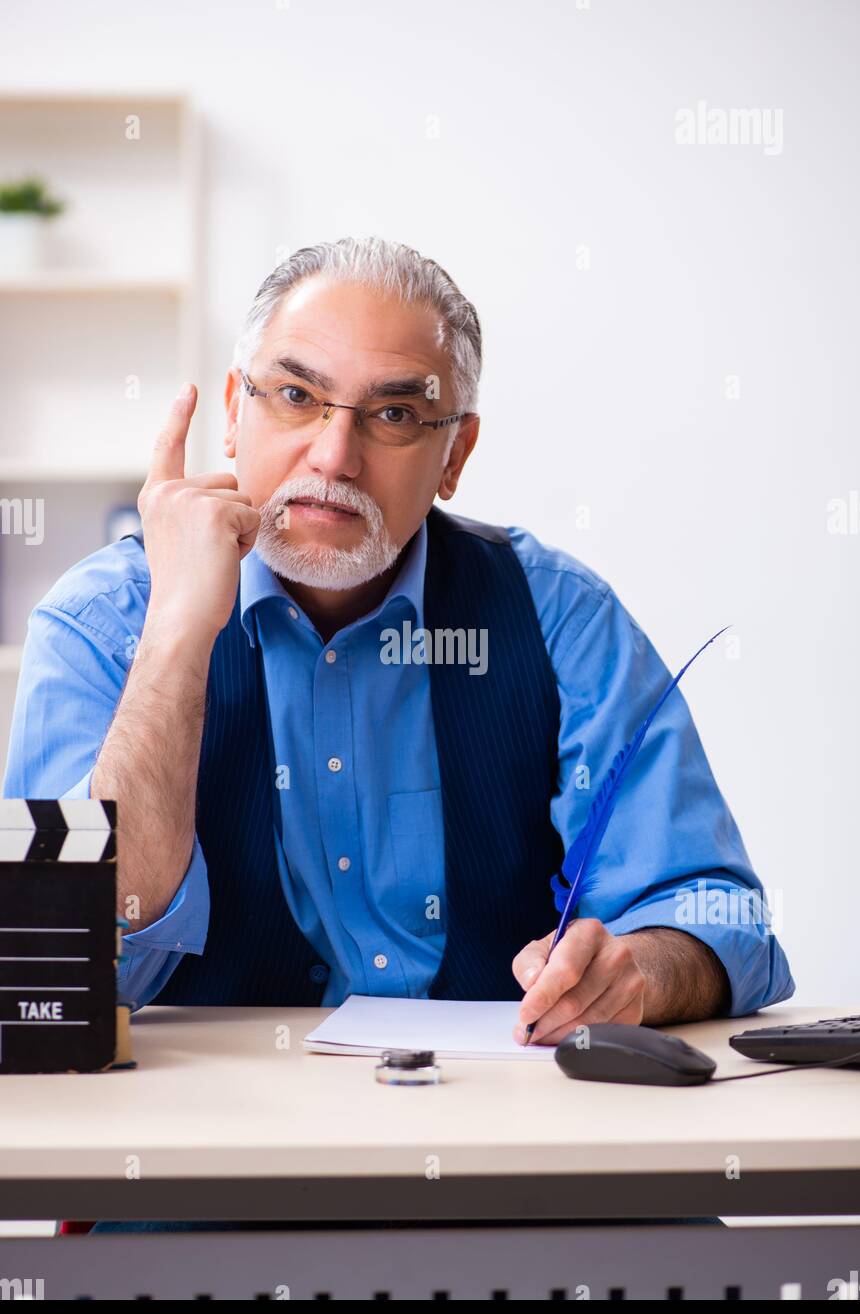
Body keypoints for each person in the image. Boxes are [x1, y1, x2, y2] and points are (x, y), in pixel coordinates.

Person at [4, 236, 793, 1234]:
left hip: (524, 1180)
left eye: (393, 414)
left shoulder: (558, 617)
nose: (333, 457)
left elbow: (717, 911)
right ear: (235, 413)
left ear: (456, 453)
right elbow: (50, 974)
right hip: (193, 1191)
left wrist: (644, 968)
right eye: (295, 397)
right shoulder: (102, 623)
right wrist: (174, 637)